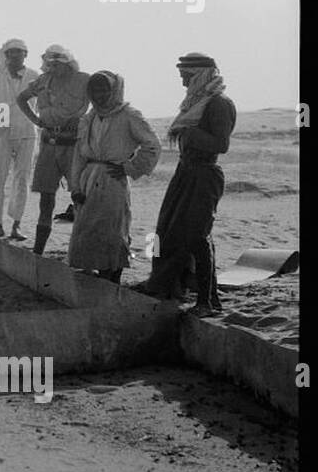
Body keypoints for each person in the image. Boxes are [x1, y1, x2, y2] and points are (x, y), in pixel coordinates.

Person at [138, 53, 237, 316]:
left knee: (197, 237)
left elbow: (221, 145)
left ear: (200, 75)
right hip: (186, 173)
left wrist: (192, 133)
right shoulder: (196, 103)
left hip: (204, 175)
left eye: (186, 77)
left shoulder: (218, 104)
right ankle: (172, 285)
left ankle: (206, 301)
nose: (183, 84)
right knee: (169, 230)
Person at [66, 72, 161, 283]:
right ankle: (97, 274)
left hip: (112, 180)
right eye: (95, 91)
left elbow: (152, 144)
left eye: (103, 90)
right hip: (88, 180)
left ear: (114, 90)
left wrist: (131, 168)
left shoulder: (129, 116)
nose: (99, 96)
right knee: (88, 228)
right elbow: (79, 155)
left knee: (113, 229)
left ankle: (112, 277)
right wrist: (75, 187)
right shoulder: (88, 118)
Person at [17, 44, 92, 255]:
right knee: (46, 199)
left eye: (57, 63)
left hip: (74, 146)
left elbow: (105, 98)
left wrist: (87, 124)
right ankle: (38, 251)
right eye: (50, 63)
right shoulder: (43, 81)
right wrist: (36, 120)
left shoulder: (84, 80)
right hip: (49, 143)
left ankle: (82, 252)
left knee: (79, 196)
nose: (53, 67)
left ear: (68, 63)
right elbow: (21, 99)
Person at [0, 39, 38, 240]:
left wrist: (34, 120)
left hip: (27, 132)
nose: (14, 56)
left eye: (19, 52)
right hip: (2, 133)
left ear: (25, 54)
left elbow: (40, 103)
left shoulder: (33, 76)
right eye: (10, 52)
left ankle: (16, 225)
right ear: (5, 55)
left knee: (22, 178)